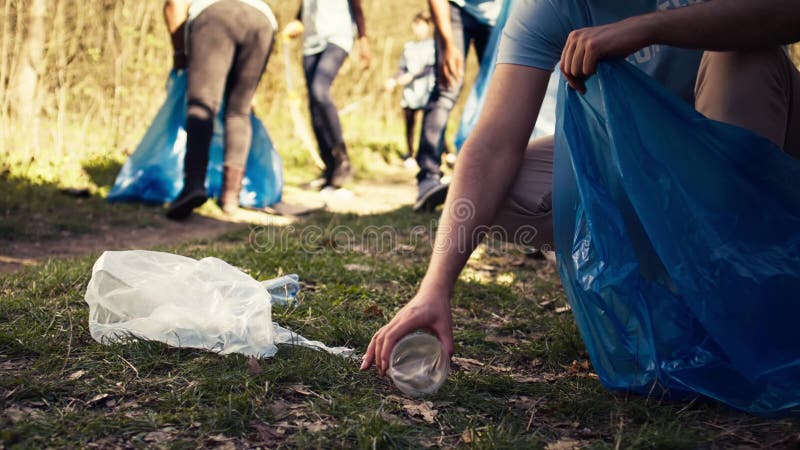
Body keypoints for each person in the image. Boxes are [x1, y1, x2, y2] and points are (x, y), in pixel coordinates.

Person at [361, 0, 800, 374]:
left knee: (746, 57)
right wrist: (434, 288)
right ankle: (664, 297)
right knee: (496, 192)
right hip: (648, 162)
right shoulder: (552, 6)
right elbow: (493, 145)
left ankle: (739, 303)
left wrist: (643, 29)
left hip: (753, 150)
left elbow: (785, 12)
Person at [164, 0, 277, 220]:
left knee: (203, 102)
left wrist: (179, 53)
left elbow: (173, 3)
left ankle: (194, 185)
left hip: (214, 15)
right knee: (239, 111)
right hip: (262, 20)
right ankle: (230, 197)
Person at [413, 0, 502, 212]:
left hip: (500, 17)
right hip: (456, 9)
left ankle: (497, 181)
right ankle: (428, 178)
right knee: (447, 89)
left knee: (501, 95)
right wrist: (448, 43)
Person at [283, 0, 371, 190]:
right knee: (313, 104)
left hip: (337, 37)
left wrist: (363, 40)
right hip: (310, 42)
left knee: (319, 90)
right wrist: (296, 21)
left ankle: (343, 160)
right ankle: (329, 169)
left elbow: (357, 7)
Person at [384, 12, 436, 169]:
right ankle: (410, 154)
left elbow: (430, 67)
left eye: (419, 24)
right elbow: (402, 68)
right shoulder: (408, 46)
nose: (416, 28)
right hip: (410, 93)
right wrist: (393, 80)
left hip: (426, 90)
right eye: (415, 24)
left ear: (428, 26)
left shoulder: (433, 45)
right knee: (410, 123)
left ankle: (432, 154)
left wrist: (412, 76)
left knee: (430, 124)